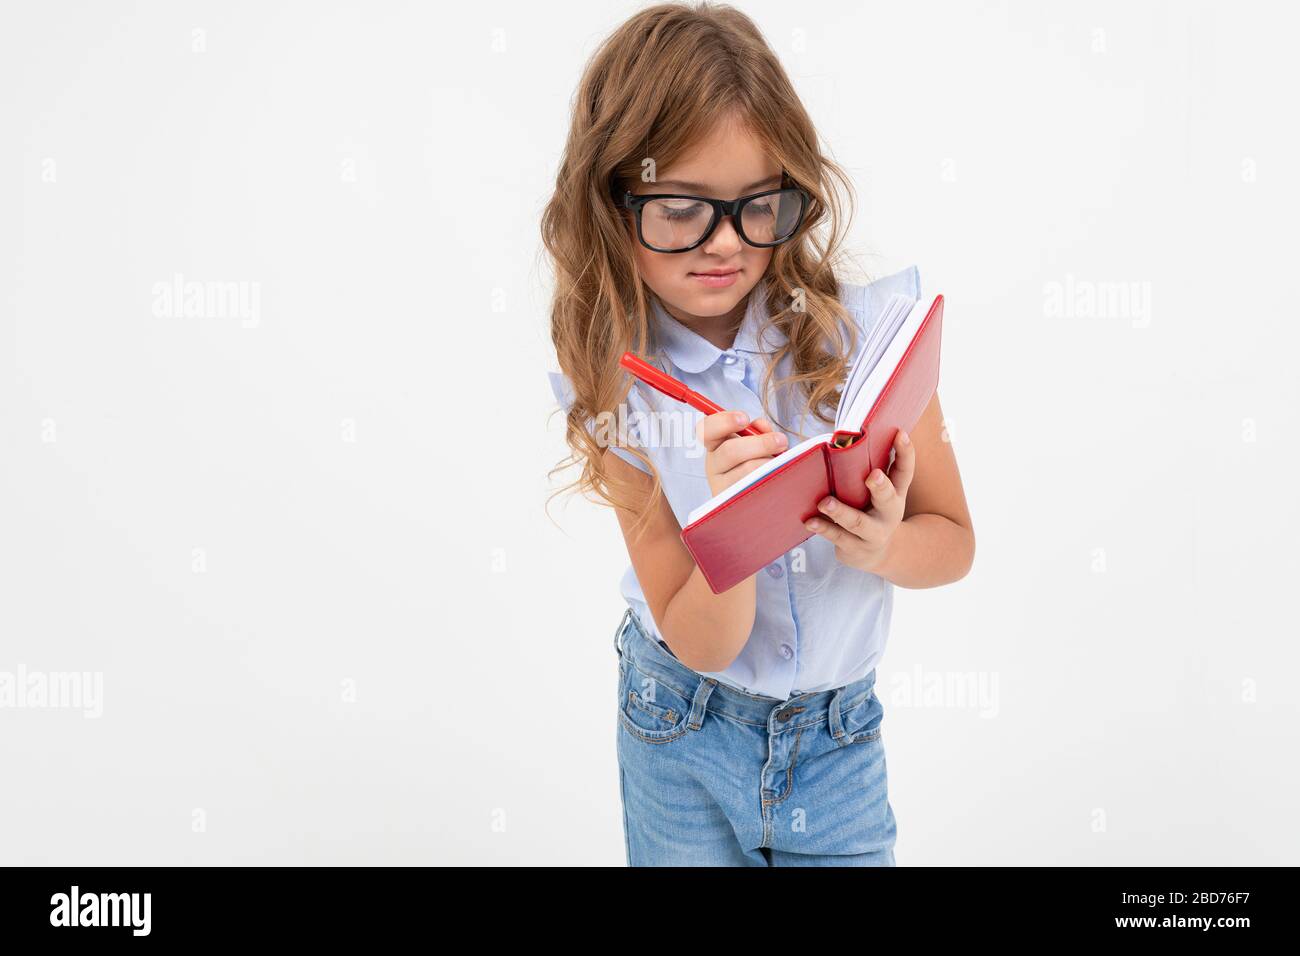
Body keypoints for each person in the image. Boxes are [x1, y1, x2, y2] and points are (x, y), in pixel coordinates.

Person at [542, 2, 975, 866]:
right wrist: (731, 518)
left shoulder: (864, 339)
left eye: (758, 206)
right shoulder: (613, 393)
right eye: (679, 210)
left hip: (838, 745)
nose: (726, 245)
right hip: (679, 727)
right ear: (609, 204)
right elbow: (702, 641)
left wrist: (883, 546)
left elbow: (954, 543)